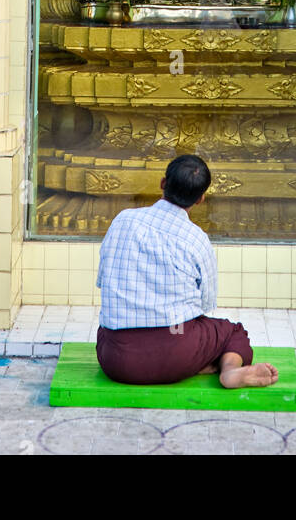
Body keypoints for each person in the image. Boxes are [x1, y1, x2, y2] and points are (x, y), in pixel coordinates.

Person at [95, 155, 279, 389]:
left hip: (116, 360)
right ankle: (229, 369)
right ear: (201, 199)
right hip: (176, 352)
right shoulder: (197, 240)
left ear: (163, 183)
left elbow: (103, 280)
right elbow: (204, 304)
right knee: (232, 332)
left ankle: (194, 363)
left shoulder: (123, 220)